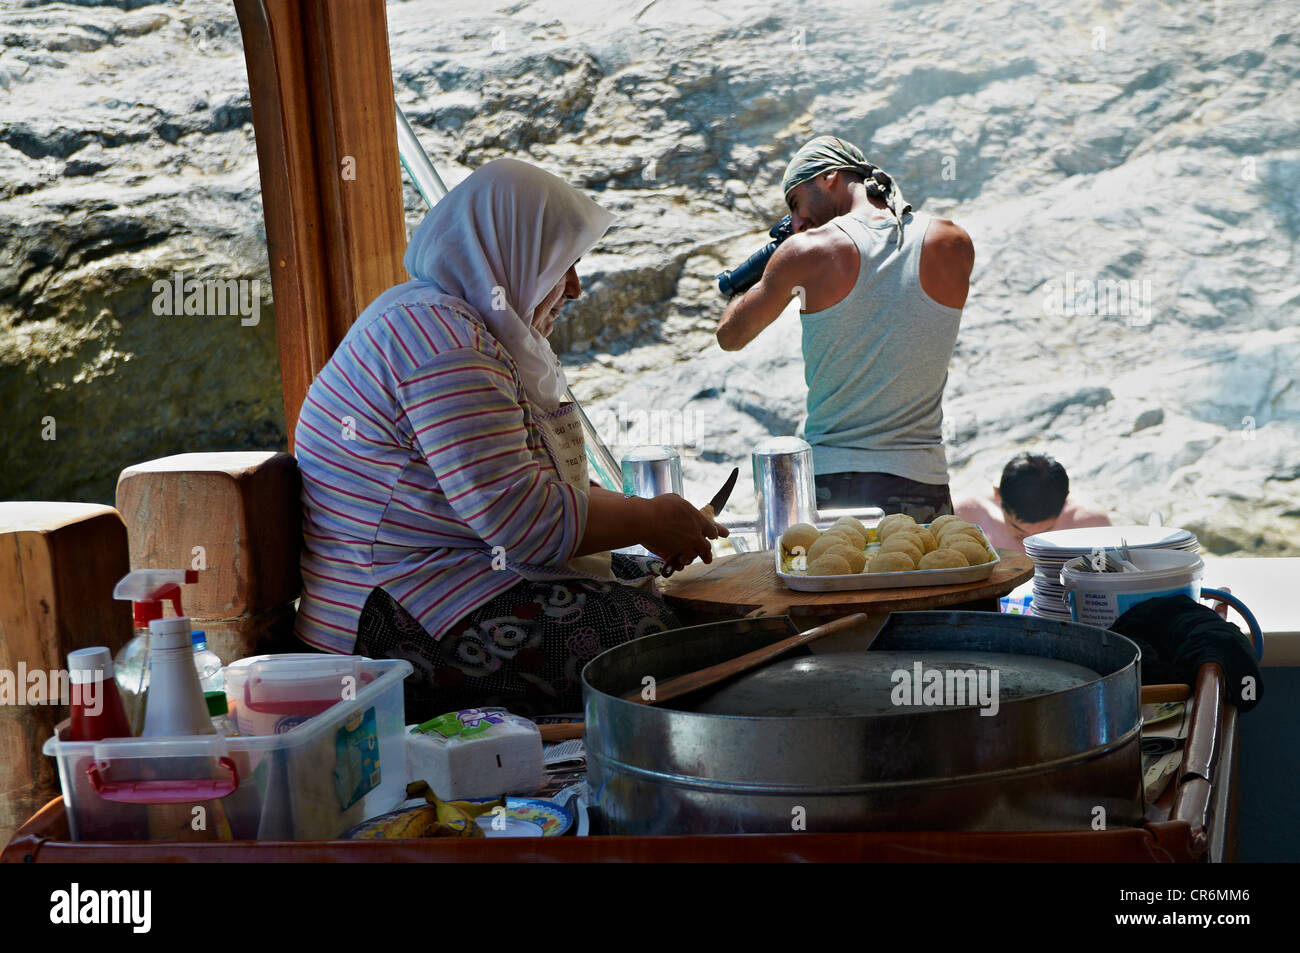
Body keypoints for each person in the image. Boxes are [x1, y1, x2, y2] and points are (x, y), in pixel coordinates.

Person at [293, 157, 725, 717]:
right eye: (563, 266)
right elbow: (523, 523)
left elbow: (533, 488)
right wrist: (648, 519)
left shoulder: (456, 325)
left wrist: (658, 518)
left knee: (669, 593)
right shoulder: (440, 340)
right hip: (386, 620)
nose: (574, 288)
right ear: (511, 254)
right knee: (649, 636)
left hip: (444, 580)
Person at [716, 134, 973, 523]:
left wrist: (770, 265)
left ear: (829, 176)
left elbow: (729, 336)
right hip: (926, 484)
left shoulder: (805, 251)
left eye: (795, 202)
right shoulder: (952, 240)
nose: (798, 221)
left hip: (837, 481)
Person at [956, 453, 1111, 552]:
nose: (1027, 542)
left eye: (1044, 531)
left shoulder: (1092, 524)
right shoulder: (967, 516)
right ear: (998, 494)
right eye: (1019, 530)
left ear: (1065, 501)